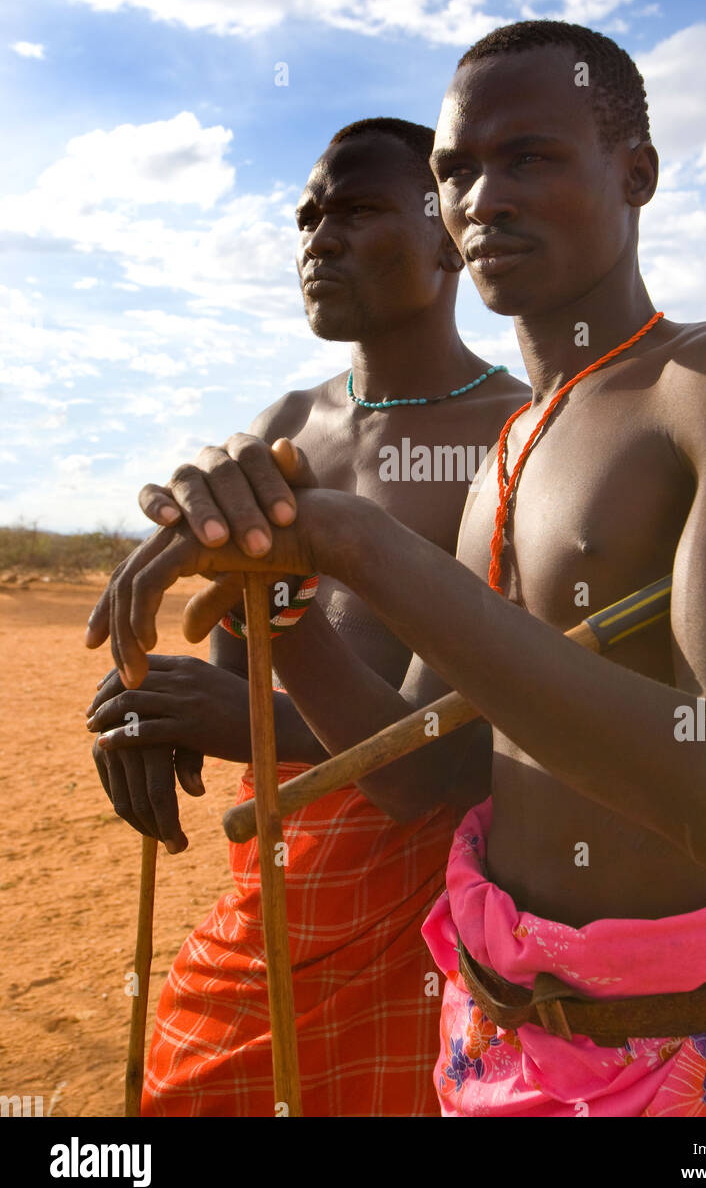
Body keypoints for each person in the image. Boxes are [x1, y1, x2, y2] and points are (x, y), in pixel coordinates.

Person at [92, 24, 706, 1118]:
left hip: (673, 1054)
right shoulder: (504, 454)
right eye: (455, 170)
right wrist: (280, 587)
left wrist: (357, 539)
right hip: (491, 1038)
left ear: (634, 173)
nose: (481, 195)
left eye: (527, 157)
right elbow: (415, 772)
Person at [85, 116, 527, 1117]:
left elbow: (437, 762)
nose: (317, 237)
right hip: (283, 888)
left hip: (425, 914)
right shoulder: (281, 429)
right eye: (307, 215)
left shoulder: (515, 434)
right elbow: (239, 685)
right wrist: (148, 705)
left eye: (358, 208)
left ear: (450, 231)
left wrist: (254, 670)